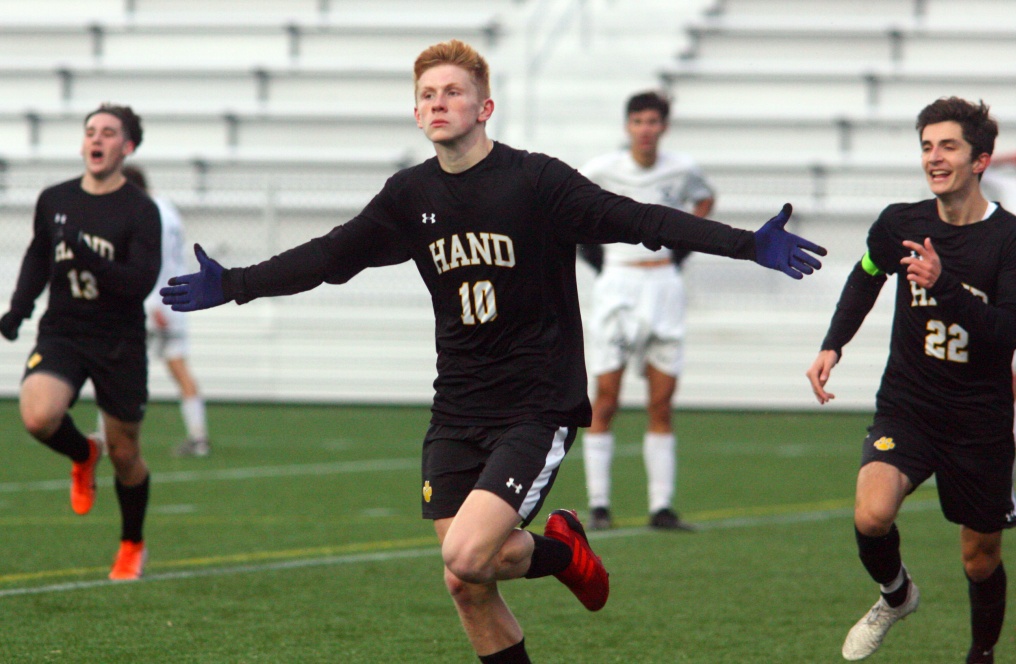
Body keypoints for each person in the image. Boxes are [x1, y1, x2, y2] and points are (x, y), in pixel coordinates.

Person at [161, 40, 826, 663]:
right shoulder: (410, 195)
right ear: (416, 111)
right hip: (455, 407)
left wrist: (746, 243)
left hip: (534, 404)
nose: (438, 102)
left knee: (469, 554)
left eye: (453, 91)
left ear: (484, 108)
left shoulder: (537, 183)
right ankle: (560, 550)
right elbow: (333, 256)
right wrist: (236, 285)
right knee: (464, 581)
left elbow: (641, 220)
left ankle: (564, 554)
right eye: (427, 94)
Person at [806, 97, 1016, 663]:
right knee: (871, 514)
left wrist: (944, 284)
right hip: (910, 403)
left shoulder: (1012, 241)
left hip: (979, 418)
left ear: (981, 159)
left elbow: (1007, 334)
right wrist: (834, 343)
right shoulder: (901, 222)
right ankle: (897, 596)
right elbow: (867, 274)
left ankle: (981, 654)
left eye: (948, 146)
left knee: (979, 559)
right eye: (927, 146)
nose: (934, 157)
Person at [0, 104, 161, 581]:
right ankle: (82, 454)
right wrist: (18, 308)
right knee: (37, 415)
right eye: (91, 131)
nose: (97, 138)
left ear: (126, 146)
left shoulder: (141, 211)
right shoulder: (55, 200)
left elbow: (138, 284)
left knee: (126, 454)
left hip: (119, 341)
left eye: (109, 133)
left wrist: (88, 254)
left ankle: (132, 544)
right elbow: (37, 256)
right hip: (64, 330)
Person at [577, 91, 714, 532]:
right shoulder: (602, 169)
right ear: (627, 126)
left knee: (661, 402)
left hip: (664, 286)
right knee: (607, 398)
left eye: (653, 120)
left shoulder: (682, 169)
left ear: (664, 126)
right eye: (638, 120)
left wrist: (683, 249)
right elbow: (570, 208)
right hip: (618, 283)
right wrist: (595, 258)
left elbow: (704, 199)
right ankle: (599, 505)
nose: (645, 129)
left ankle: (661, 507)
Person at [123, 164, 210, 458]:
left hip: (157, 301)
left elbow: (151, 261)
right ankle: (199, 437)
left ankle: (110, 435)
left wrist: (152, 304)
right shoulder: (169, 210)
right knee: (179, 367)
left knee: (122, 364)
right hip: (178, 298)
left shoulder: (146, 213)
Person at [982, 144, 1016, 480]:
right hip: (1015, 294)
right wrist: (1010, 158)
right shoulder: (1012, 187)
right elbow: (976, 167)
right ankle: (1001, 472)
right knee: (1012, 382)